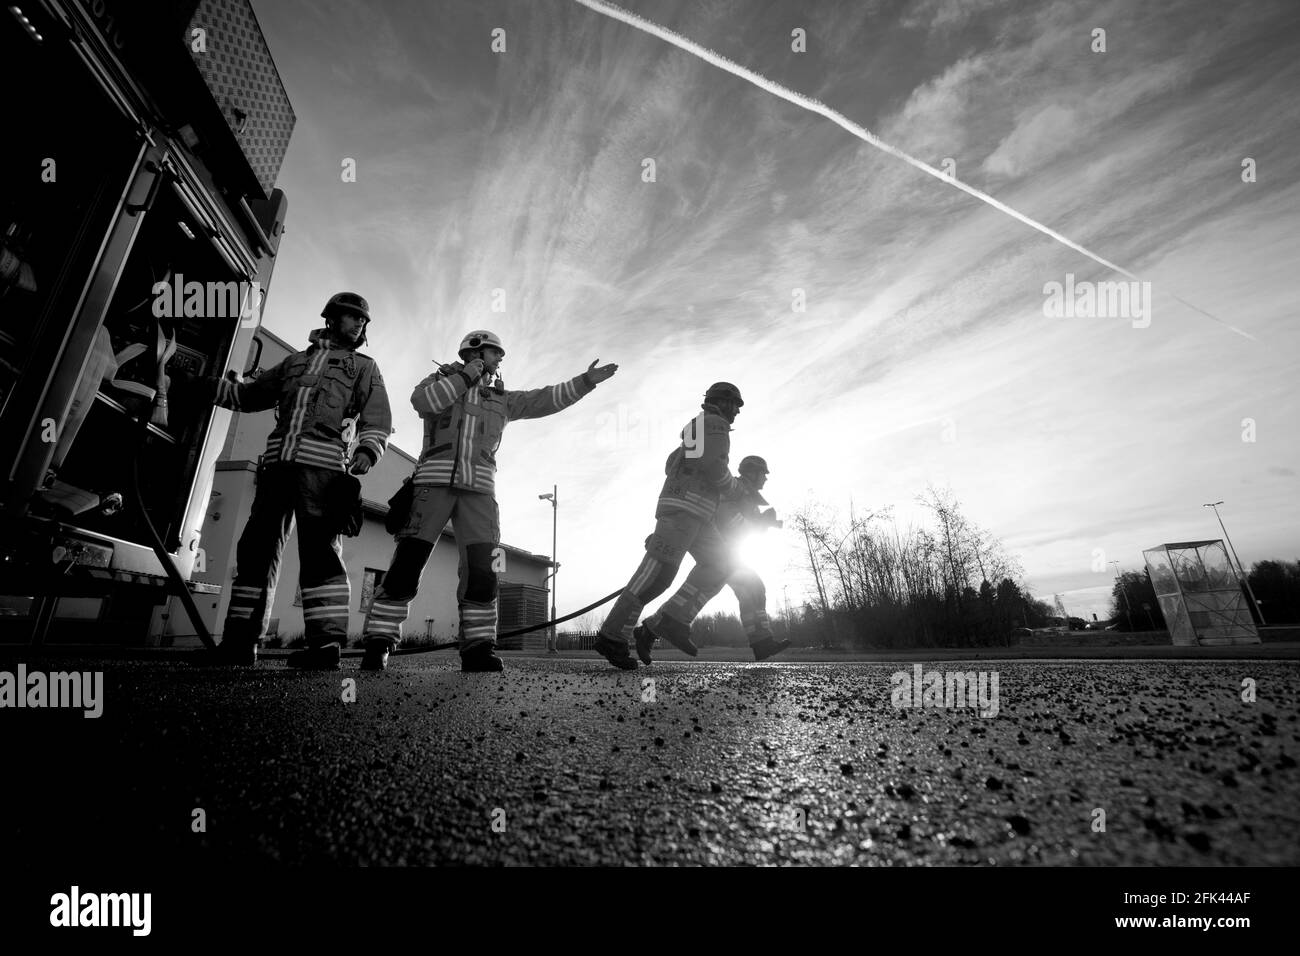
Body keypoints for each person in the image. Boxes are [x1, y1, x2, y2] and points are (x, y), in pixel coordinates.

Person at [359, 330, 616, 672]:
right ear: (473, 353)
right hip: (431, 486)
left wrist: (585, 381)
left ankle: (478, 648)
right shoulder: (440, 381)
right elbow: (424, 403)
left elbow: (545, 400)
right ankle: (379, 643)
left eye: (499, 356)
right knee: (407, 566)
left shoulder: (502, 399)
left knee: (483, 572)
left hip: (480, 493)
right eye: (494, 353)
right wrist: (466, 375)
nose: (499, 360)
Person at [193, 291, 391, 668]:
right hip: (277, 469)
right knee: (256, 553)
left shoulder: (364, 367)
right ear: (332, 318)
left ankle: (325, 647)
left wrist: (368, 451)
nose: (359, 323)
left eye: (363, 320)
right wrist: (206, 386)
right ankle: (240, 643)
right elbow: (249, 396)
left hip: (324, 472)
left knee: (319, 554)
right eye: (352, 317)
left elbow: (378, 420)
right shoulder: (293, 363)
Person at [591, 383, 746, 670]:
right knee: (655, 576)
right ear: (722, 402)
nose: (737, 410)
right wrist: (735, 488)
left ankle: (669, 621)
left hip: (698, 516)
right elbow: (712, 466)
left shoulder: (699, 429)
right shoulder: (713, 424)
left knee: (721, 564)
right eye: (735, 404)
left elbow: (675, 462)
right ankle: (612, 636)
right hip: (683, 512)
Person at [636, 455, 790, 663]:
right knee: (708, 587)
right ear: (751, 472)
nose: (765, 478)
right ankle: (654, 627)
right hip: (719, 550)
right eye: (763, 473)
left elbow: (746, 531)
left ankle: (762, 641)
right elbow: (726, 518)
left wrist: (763, 524)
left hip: (729, 552)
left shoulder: (749, 498)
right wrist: (759, 523)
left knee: (748, 589)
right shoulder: (735, 490)